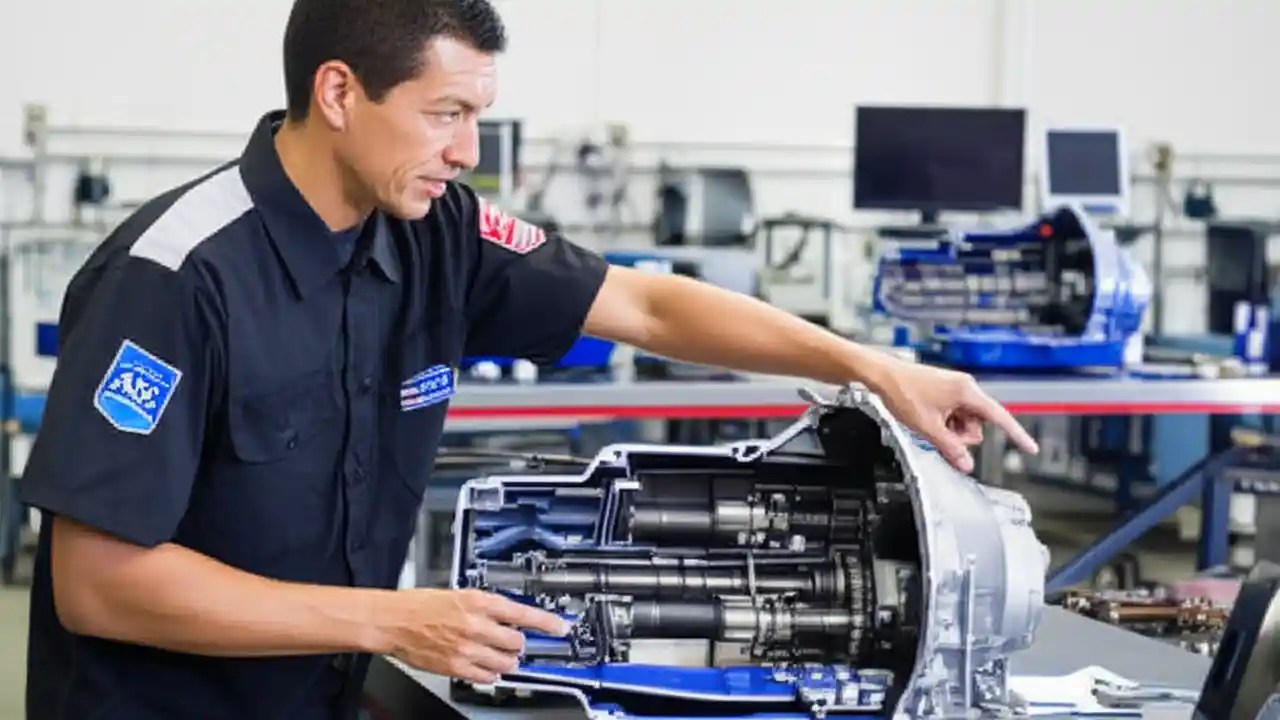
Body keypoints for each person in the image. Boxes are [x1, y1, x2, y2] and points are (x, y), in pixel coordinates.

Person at [19, 1, 1039, 718]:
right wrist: (391, 620)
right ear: (338, 92)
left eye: (477, 116)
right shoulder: (174, 278)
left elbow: (642, 300)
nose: (467, 150)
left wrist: (866, 366)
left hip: (315, 694)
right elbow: (100, 583)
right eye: (445, 114)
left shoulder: (435, 231)